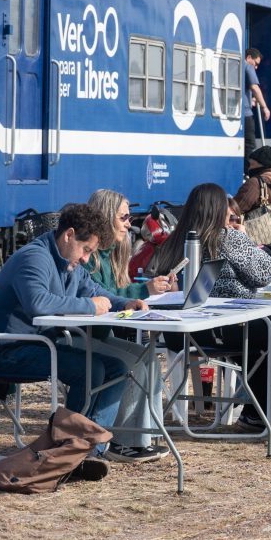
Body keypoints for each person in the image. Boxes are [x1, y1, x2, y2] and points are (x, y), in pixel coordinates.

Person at [0, 203, 143, 453]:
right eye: (85, 249)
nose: (86, 258)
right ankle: (68, 449)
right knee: (91, 369)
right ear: (69, 235)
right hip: (5, 351)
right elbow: (38, 303)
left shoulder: (68, 260)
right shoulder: (33, 258)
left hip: (37, 345)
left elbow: (94, 291)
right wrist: (89, 306)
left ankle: (86, 451)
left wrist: (126, 302)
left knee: (116, 369)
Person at [145, 183, 271, 422]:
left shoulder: (174, 240)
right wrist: (246, 239)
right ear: (217, 210)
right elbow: (265, 273)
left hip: (179, 332)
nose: (230, 213)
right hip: (226, 324)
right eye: (226, 208)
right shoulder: (227, 238)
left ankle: (257, 410)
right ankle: (270, 413)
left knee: (265, 340)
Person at [83, 189, 179, 461]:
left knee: (147, 358)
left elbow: (115, 292)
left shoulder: (113, 252)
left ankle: (145, 436)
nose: (129, 223)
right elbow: (103, 296)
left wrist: (149, 289)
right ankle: (124, 442)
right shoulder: (89, 256)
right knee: (136, 363)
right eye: (124, 217)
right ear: (104, 217)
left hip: (98, 335)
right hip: (79, 336)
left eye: (129, 217)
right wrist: (143, 291)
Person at [242, 47, 271, 156]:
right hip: (246, 113)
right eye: (256, 63)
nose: (256, 67)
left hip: (239, 111)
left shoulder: (237, 65)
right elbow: (255, 88)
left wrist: (251, 100)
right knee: (249, 144)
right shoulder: (248, 67)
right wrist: (265, 107)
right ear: (249, 57)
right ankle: (247, 171)